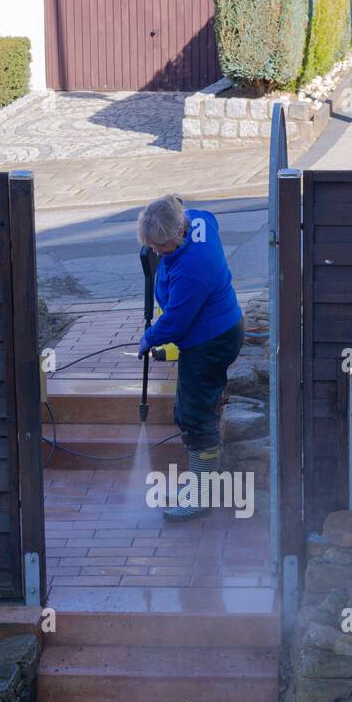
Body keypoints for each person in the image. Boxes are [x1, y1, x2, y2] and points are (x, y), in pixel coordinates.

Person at [137, 194, 243, 521]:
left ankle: (200, 496)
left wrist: (148, 338)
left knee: (196, 418)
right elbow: (207, 216)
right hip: (213, 332)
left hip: (210, 343)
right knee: (189, 411)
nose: (156, 252)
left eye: (161, 247)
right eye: (152, 247)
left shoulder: (194, 269)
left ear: (178, 234)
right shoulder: (197, 219)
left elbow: (176, 322)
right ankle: (198, 484)